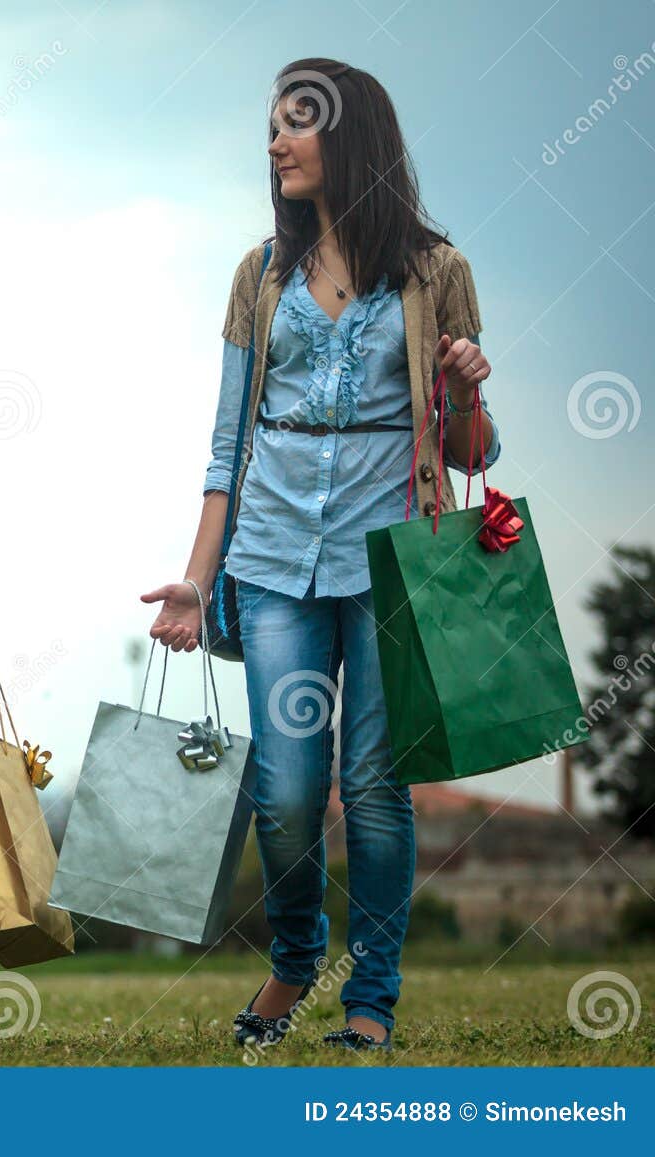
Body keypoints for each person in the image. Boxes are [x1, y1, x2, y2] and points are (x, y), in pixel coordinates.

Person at [143, 58, 499, 1052]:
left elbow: (472, 451)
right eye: (272, 126)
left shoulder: (437, 272)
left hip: (391, 560)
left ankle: (369, 994)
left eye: (296, 123)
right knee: (288, 788)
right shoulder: (258, 273)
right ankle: (294, 957)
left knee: (375, 785)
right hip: (268, 560)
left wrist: (466, 385)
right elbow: (228, 442)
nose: (275, 143)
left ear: (354, 138)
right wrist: (196, 576)